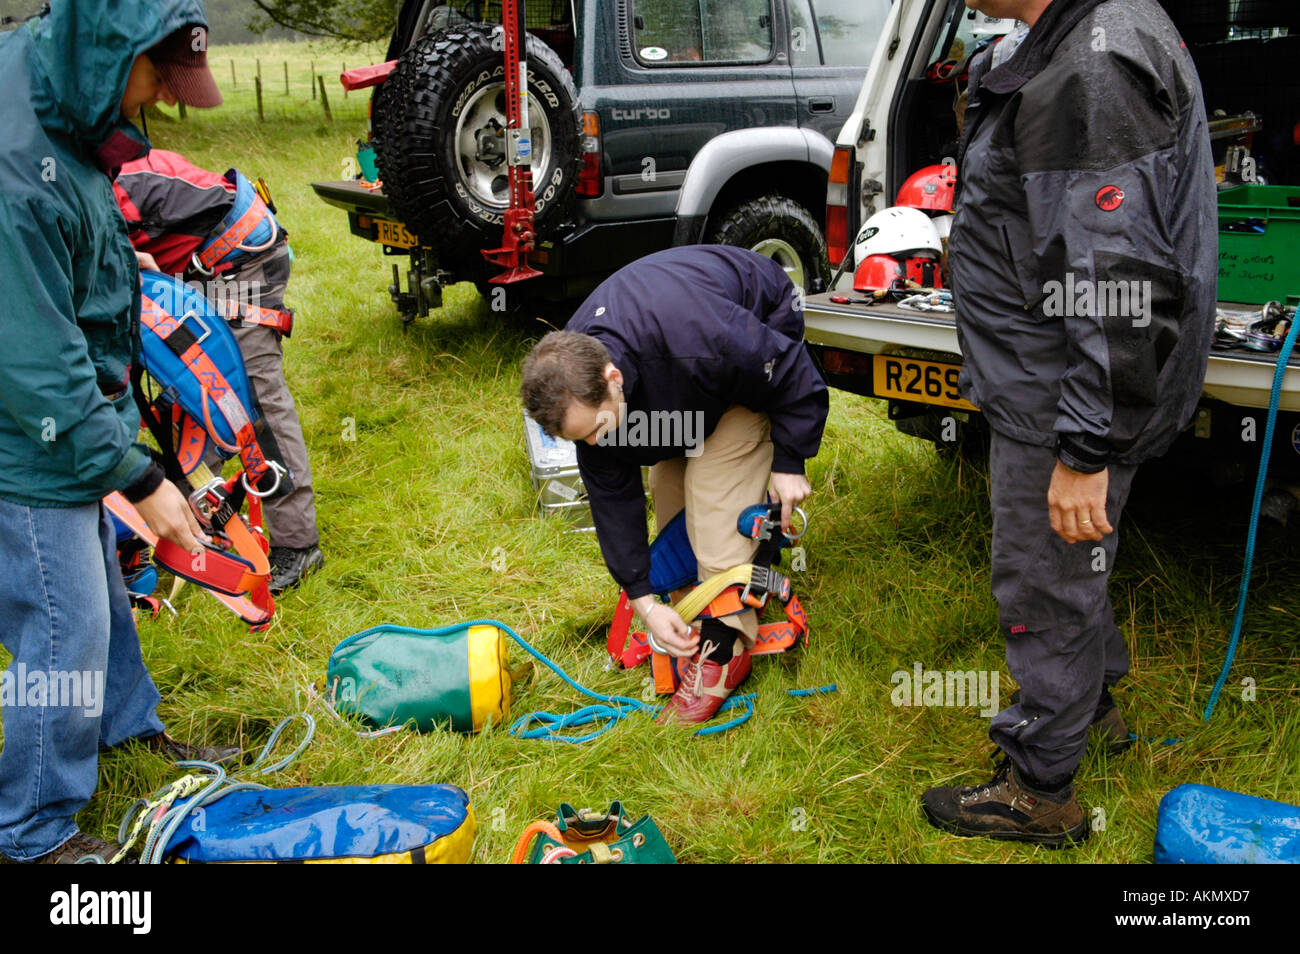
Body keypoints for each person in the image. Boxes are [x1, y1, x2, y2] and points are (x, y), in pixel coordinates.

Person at [922, 0, 1216, 846]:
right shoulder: (1075, 38)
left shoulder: (1094, 64)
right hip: (1052, 382)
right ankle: (1095, 707)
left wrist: (1085, 445)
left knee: (1044, 584)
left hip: (1064, 399)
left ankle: (1040, 786)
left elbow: (1113, 278)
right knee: (1069, 569)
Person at [0, 1, 237, 864]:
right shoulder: (14, 165)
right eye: (157, 82)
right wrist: (137, 476)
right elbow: (35, 365)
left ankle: (124, 732)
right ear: (110, 53)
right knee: (61, 629)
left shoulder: (66, 101)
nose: (163, 105)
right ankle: (30, 831)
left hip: (58, 411)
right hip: (24, 430)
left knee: (97, 588)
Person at [520, 245, 828, 723]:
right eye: (583, 438)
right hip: (682, 383)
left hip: (754, 332)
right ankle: (694, 615)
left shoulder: (701, 337)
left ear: (613, 378)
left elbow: (788, 370)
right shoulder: (581, 397)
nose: (596, 443)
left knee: (711, 490)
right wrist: (644, 603)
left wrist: (790, 462)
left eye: (598, 428)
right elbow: (613, 498)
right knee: (669, 490)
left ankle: (725, 650)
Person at [113, 149, 325, 593]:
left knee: (251, 403)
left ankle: (298, 543)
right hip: (192, 269)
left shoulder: (101, 190)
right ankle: (200, 523)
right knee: (186, 399)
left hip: (240, 260)